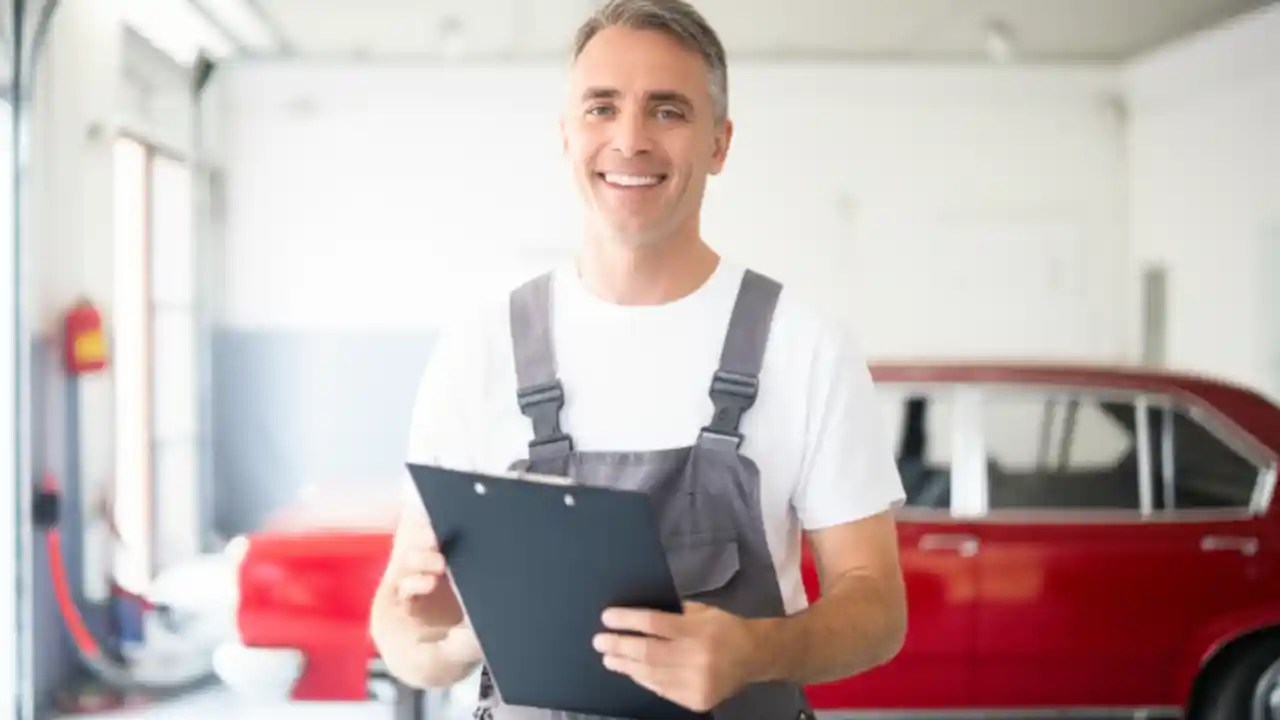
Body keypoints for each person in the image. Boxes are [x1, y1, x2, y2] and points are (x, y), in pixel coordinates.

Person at [369, 0, 908, 716]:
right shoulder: (478, 351)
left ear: (719, 143)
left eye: (668, 111)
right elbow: (405, 637)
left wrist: (757, 650)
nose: (630, 139)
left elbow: (877, 609)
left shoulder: (805, 345)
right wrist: (457, 624)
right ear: (566, 137)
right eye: (601, 108)